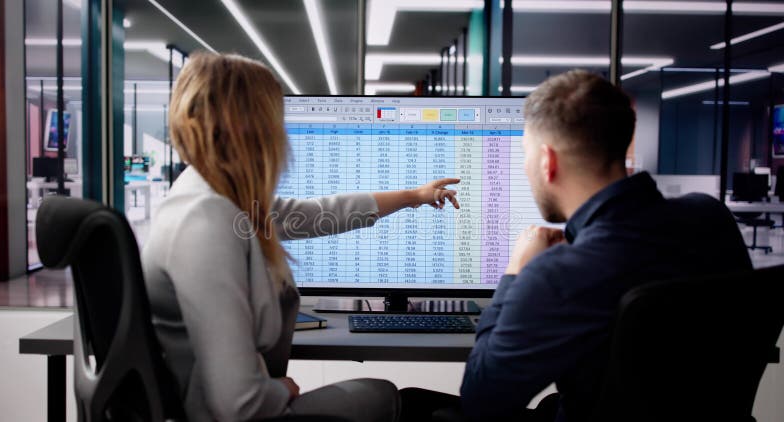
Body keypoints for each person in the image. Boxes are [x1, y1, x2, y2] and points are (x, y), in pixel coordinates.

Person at [399, 70, 752, 422]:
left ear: (546, 161)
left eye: (525, 152)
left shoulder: (559, 274)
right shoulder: (710, 217)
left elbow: (482, 401)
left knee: (409, 406)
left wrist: (516, 272)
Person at [142, 52, 461, 422]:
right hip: (228, 414)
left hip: (222, 402)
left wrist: (412, 197)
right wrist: (281, 389)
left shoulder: (215, 197)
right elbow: (238, 404)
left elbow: (318, 214)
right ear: (249, 128)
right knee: (388, 397)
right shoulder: (205, 222)